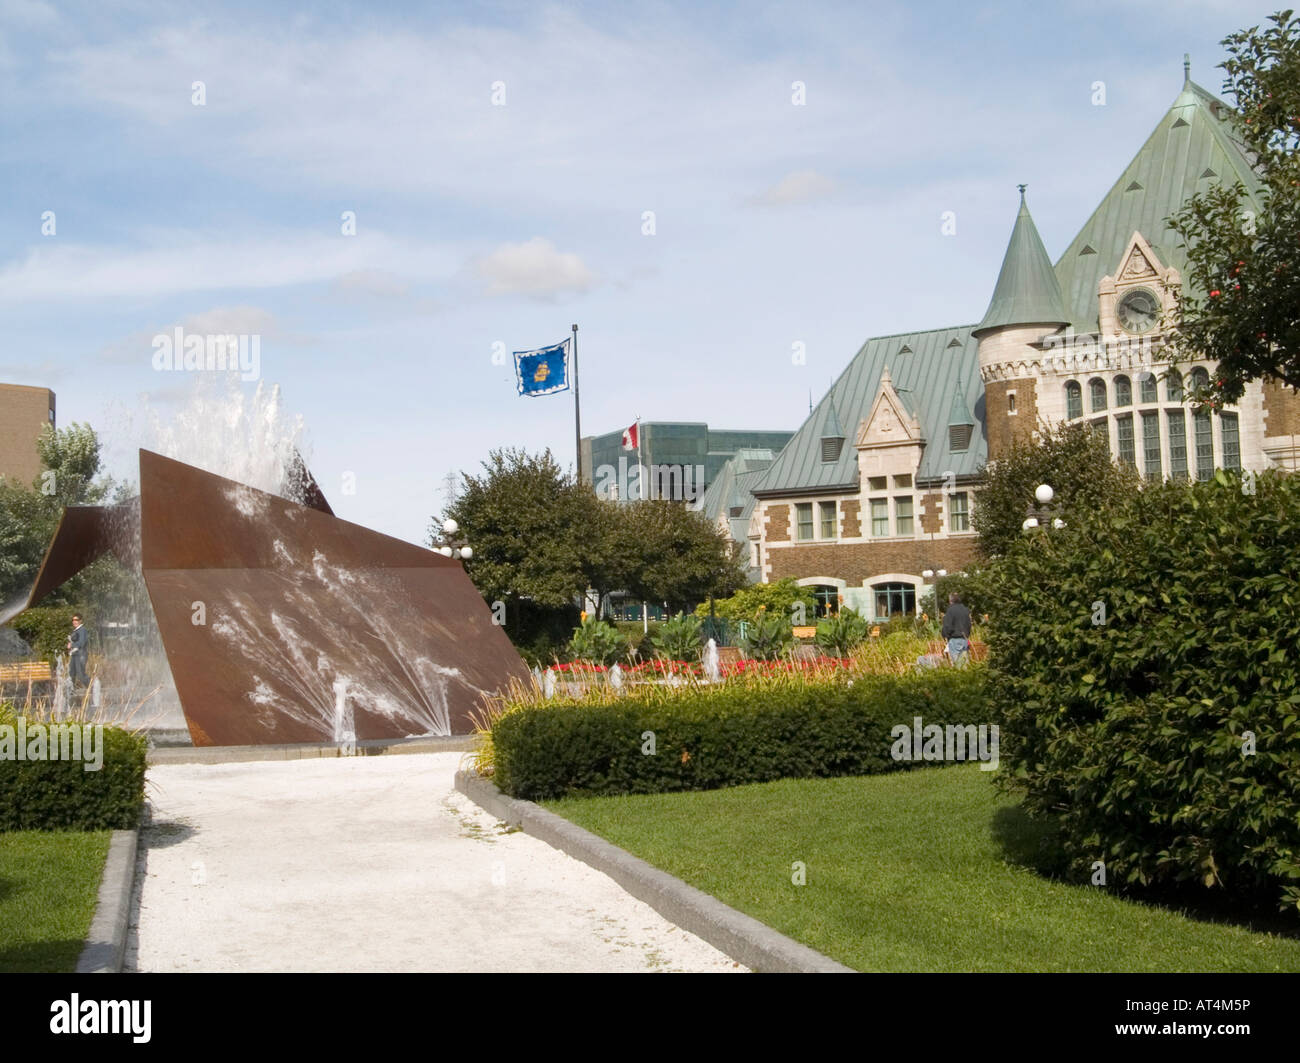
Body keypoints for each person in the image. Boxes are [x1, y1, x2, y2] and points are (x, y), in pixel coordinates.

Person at [940, 593, 972, 667]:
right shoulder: (965, 610)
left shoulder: (950, 610)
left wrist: (945, 635)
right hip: (965, 640)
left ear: (950, 601)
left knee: (956, 665)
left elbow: (948, 626)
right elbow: (969, 624)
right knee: (964, 665)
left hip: (954, 639)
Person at [67, 614, 89, 688]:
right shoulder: (76, 630)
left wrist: (72, 645)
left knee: (81, 675)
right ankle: (70, 691)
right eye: (73, 620)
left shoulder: (82, 630)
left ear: (80, 621)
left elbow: (82, 642)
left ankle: (92, 687)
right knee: (71, 673)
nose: (74, 621)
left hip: (81, 655)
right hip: (75, 654)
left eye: (76, 620)